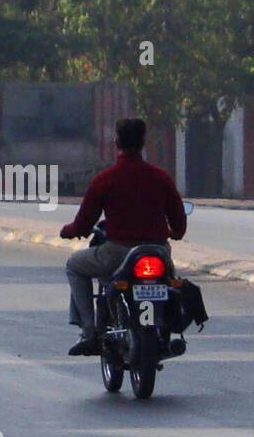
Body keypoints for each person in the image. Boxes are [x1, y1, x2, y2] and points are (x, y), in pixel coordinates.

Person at [59, 118, 187, 356]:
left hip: (117, 253)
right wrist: (174, 234)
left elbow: (83, 223)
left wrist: (68, 231)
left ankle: (90, 332)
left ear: (116, 141)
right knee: (169, 283)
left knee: (74, 265)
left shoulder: (104, 179)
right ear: (143, 142)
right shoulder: (161, 178)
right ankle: (163, 330)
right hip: (158, 252)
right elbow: (179, 221)